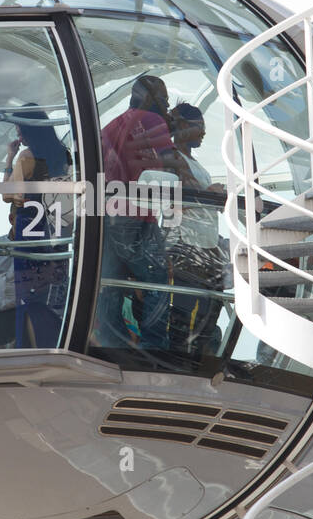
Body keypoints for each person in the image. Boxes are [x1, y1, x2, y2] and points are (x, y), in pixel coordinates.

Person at [95, 74, 177, 351]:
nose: (165, 106)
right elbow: (170, 163)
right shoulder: (153, 121)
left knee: (109, 284)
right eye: (164, 99)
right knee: (157, 281)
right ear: (150, 97)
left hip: (107, 216)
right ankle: (154, 346)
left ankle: (112, 344)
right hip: (138, 216)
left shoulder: (109, 126)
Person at [3, 106, 72, 348]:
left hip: (30, 230)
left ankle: (29, 350)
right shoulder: (64, 153)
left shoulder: (26, 157)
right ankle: (55, 344)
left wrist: (9, 159)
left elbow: (11, 195)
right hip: (55, 229)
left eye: (19, 128)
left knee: (30, 299)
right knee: (52, 294)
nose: (18, 134)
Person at [164, 103, 226, 359]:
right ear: (183, 126)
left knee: (210, 309)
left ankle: (198, 360)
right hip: (186, 247)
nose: (203, 133)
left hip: (206, 247)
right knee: (184, 313)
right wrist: (210, 195)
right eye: (198, 126)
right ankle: (181, 363)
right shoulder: (172, 158)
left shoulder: (189, 161)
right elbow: (175, 202)